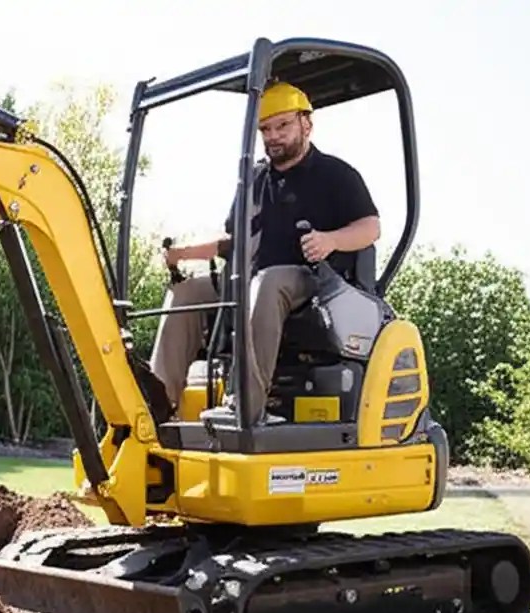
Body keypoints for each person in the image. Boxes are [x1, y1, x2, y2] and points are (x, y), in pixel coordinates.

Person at [149, 80, 381, 424]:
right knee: (188, 292)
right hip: (250, 278)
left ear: (306, 123)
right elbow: (231, 239)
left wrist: (330, 240)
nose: (273, 136)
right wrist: (183, 253)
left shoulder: (336, 175)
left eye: (283, 125)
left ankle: (245, 406)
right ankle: (156, 404)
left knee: (266, 282)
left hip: (313, 284)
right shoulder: (255, 179)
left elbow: (370, 227)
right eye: (266, 129)